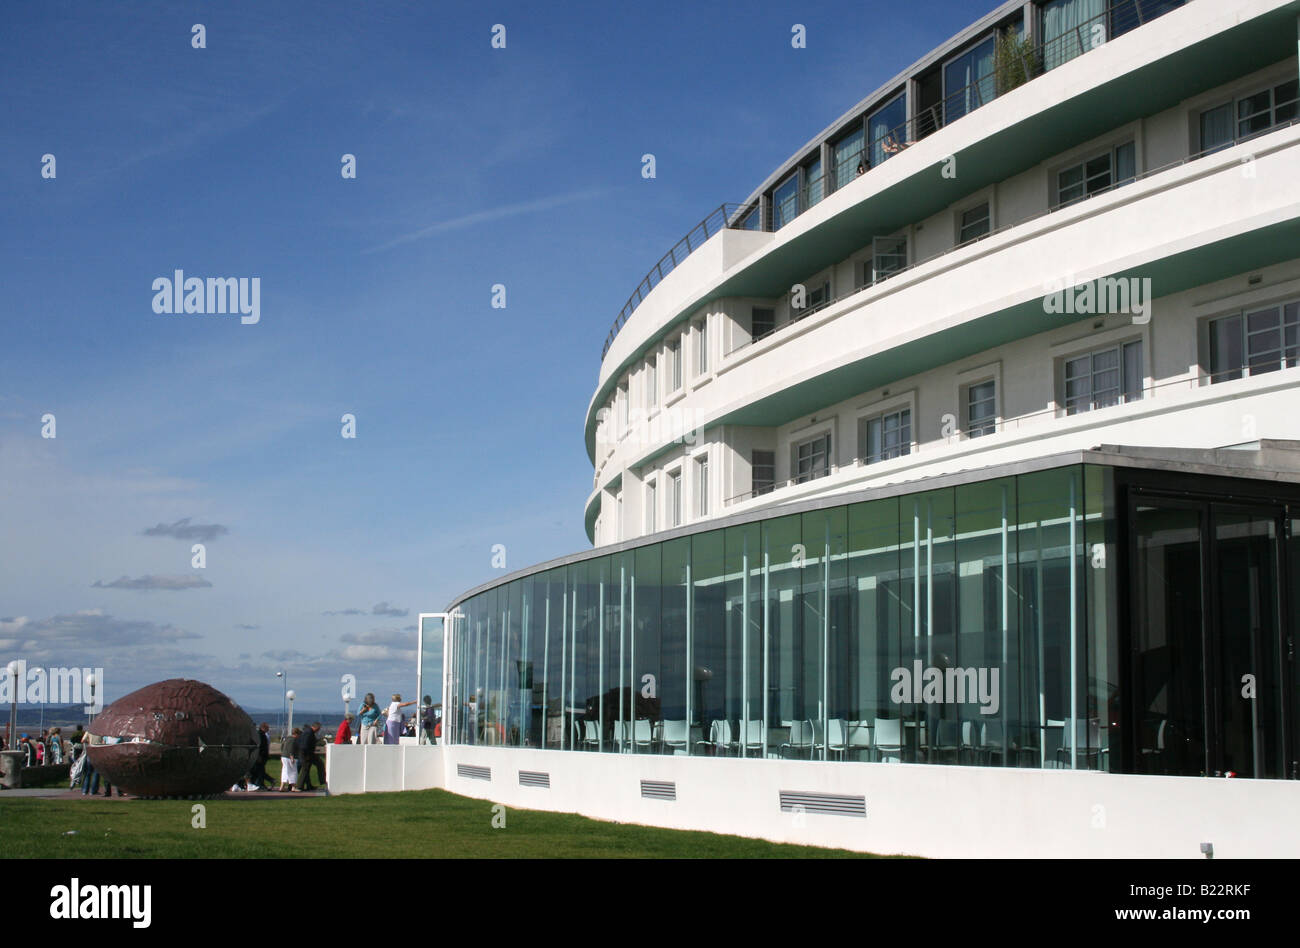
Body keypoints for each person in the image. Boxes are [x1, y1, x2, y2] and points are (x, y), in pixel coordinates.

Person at [295, 722, 324, 791]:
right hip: (306, 754)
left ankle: (308, 785)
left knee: (307, 769)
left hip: (306, 753)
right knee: (306, 769)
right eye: (318, 729)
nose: (318, 730)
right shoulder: (309, 733)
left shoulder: (308, 732)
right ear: (316, 727)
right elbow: (305, 744)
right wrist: (307, 755)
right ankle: (299, 786)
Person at [248, 723, 271, 790]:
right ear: (263, 728)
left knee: (260, 770)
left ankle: (259, 784)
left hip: (262, 755)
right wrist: (259, 756)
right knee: (259, 771)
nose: (268, 729)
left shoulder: (262, 735)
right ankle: (258, 784)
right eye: (267, 728)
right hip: (260, 756)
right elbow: (259, 746)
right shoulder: (260, 735)